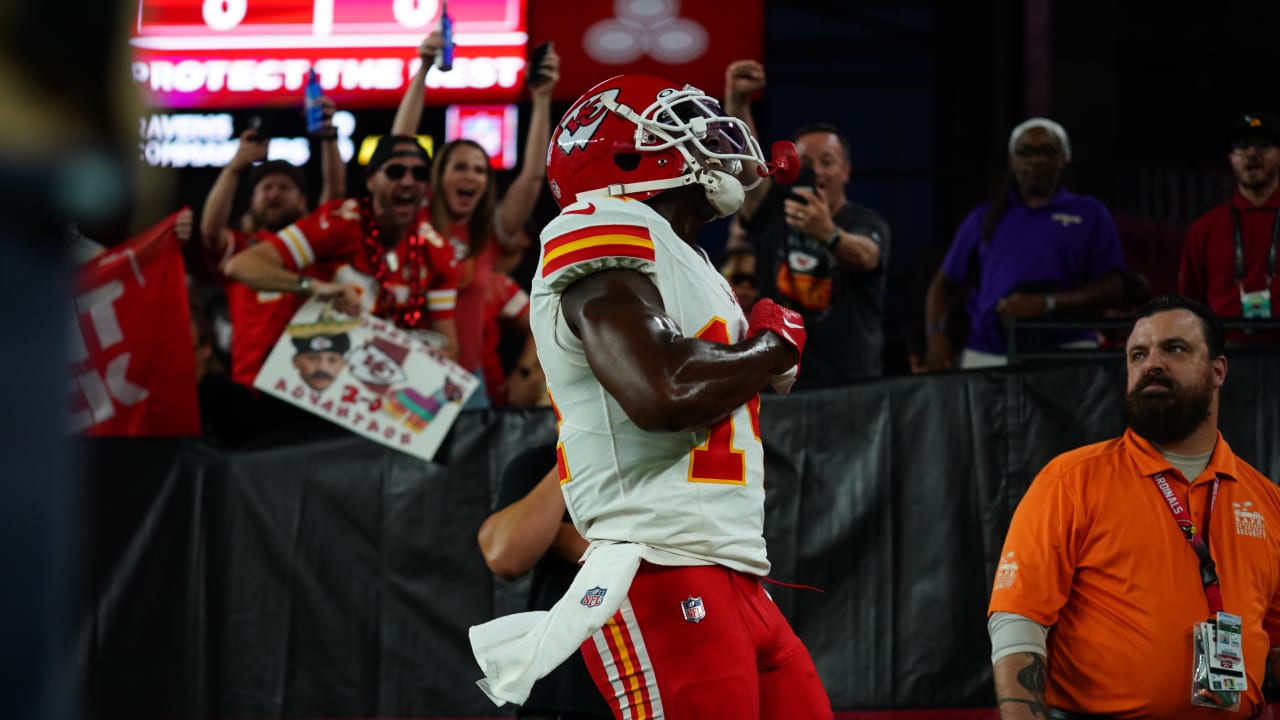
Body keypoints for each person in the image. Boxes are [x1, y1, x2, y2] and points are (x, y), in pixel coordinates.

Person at [469, 73, 832, 720]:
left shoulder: (685, 258)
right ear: (624, 152)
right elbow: (661, 390)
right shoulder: (600, 222)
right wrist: (773, 348)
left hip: (735, 567)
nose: (705, 134)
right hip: (658, 568)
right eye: (678, 120)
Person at [987, 295, 1280, 719]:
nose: (1152, 363)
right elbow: (1017, 621)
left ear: (1218, 371)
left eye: (1174, 349)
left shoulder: (1266, 500)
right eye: (1138, 354)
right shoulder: (1071, 480)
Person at [391, 36, 561, 407]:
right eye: (460, 168)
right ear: (438, 176)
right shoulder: (412, 218)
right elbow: (398, 147)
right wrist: (422, 70)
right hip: (399, 379)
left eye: (480, 171)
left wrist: (543, 97)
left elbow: (533, 175)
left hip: (466, 386)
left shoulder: (487, 235)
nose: (471, 177)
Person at [724, 59, 891, 387]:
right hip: (780, 383)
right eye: (806, 163)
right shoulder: (774, 212)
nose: (818, 171)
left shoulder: (865, 221)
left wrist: (827, 234)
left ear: (846, 171)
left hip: (851, 387)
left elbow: (866, 255)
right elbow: (747, 167)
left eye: (827, 162)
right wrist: (738, 101)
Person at [222, 134, 460, 356]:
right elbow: (240, 265)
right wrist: (314, 287)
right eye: (395, 172)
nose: (408, 181)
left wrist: (432, 361)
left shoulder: (436, 249)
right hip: (318, 374)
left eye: (419, 174)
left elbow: (449, 347)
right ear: (371, 181)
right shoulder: (337, 223)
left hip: (386, 385)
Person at [925, 118, 1127, 369]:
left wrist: (1046, 303)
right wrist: (935, 336)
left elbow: (1115, 286)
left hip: (1068, 349)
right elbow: (944, 283)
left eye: (1047, 151)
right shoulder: (984, 217)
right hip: (989, 353)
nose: (1036, 160)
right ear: (1012, 160)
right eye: (1026, 152)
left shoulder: (1090, 213)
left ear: (1064, 158)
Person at [200, 97, 346, 388]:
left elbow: (335, 197)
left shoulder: (313, 243)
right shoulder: (242, 247)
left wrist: (329, 136)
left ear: (303, 201)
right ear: (252, 200)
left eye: (284, 187)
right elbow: (210, 232)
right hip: (251, 381)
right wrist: (234, 168)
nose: (274, 193)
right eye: (265, 187)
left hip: (311, 387)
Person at [477, 445, 613, 719]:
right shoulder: (540, 464)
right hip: (566, 688)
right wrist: (572, 450)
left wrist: (549, 535)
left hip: (663, 675)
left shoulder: (673, 458)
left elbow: (649, 552)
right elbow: (506, 554)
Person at [1180, 112, 1280, 346]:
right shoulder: (1204, 229)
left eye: (1263, 145)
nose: (1252, 154)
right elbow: (1190, 305)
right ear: (1230, 158)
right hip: (1227, 357)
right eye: (1241, 147)